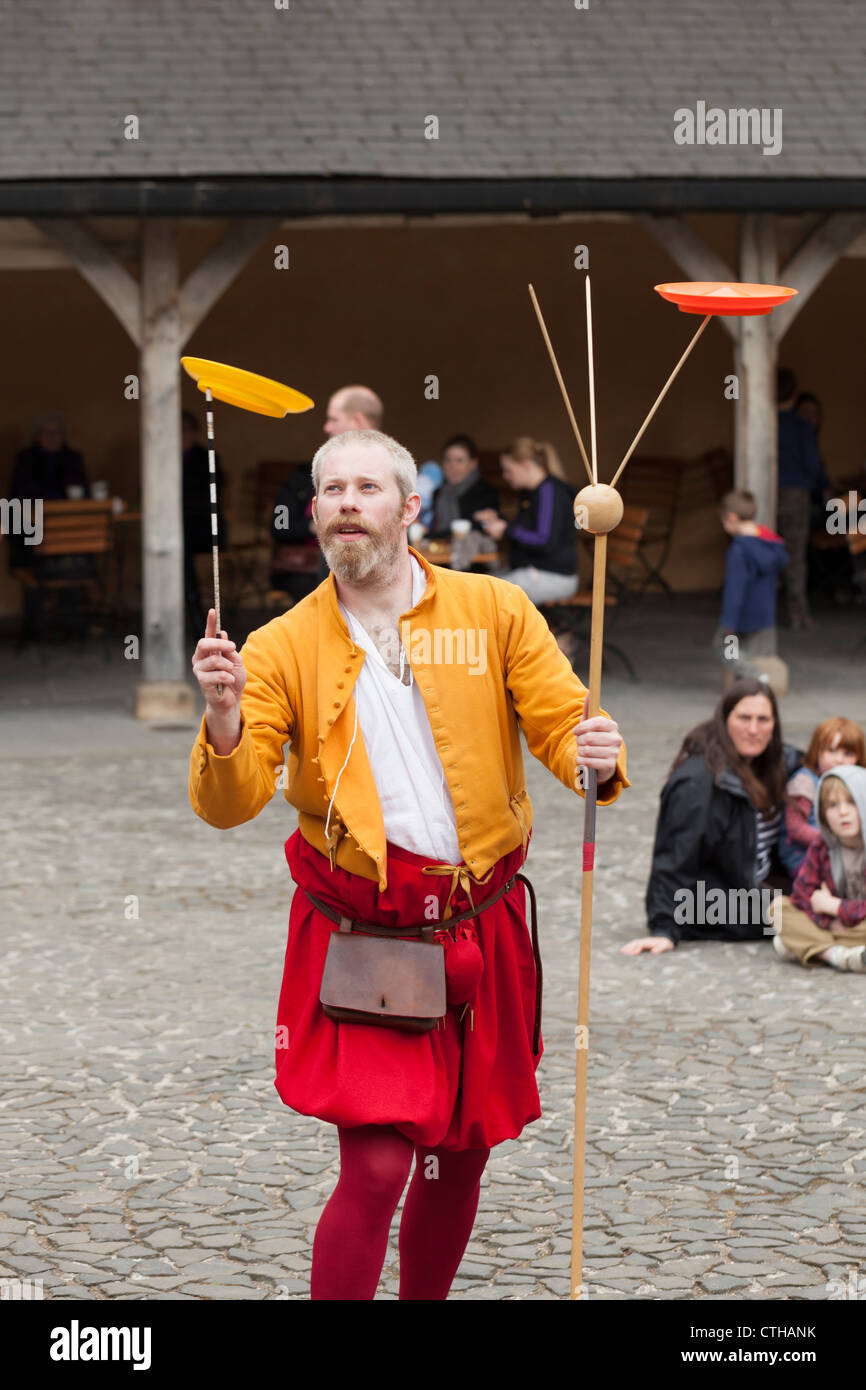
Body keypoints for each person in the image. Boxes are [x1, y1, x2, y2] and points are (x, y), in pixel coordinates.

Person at [189, 428, 627, 1300]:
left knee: (460, 1160)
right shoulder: (278, 647)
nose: (348, 504)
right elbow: (231, 802)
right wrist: (227, 721)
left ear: (409, 507)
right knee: (383, 1163)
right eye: (333, 492)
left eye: (367, 489)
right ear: (315, 515)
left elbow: (559, 725)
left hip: (480, 923)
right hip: (367, 935)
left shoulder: (492, 610)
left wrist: (597, 755)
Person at [622, 678, 800, 955]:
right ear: (725, 720)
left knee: (829, 903)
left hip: (758, 887)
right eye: (744, 718)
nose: (754, 729)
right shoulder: (699, 783)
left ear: (774, 724)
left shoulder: (777, 763)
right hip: (709, 905)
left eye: (763, 719)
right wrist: (664, 928)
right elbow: (673, 857)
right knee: (809, 918)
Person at [771, 766, 866, 972]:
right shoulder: (822, 846)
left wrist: (835, 907)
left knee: (784, 942)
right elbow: (801, 896)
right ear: (823, 815)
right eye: (832, 805)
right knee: (778, 908)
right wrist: (829, 922)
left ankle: (806, 945)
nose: (843, 812)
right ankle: (838, 956)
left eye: (852, 802)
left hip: (859, 924)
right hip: (837, 925)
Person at [473, 437, 578, 607]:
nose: (505, 476)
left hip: (554, 577)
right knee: (476, 586)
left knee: (485, 597)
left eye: (508, 470)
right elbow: (529, 529)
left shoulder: (549, 491)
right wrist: (499, 521)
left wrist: (506, 530)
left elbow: (545, 540)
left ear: (526, 464)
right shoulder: (532, 492)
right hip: (533, 571)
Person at [713, 489, 788, 684]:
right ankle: (750, 683)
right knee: (746, 652)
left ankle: (756, 678)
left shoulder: (739, 551)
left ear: (731, 517)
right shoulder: (771, 543)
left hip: (741, 617)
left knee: (724, 646)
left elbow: (734, 590)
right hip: (764, 615)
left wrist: (728, 623)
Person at [778, 717, 866, 877]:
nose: (839, 759)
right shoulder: (805, 781)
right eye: (831, 751)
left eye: (848, 753)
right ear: (817, 751)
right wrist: (836, 841)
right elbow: (796, 828)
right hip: (805, 856)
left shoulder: (856, 782)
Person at [776, 367, 823, 629]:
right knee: (795, 555)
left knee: (764, 554)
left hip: (765, 494)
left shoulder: (761, 421)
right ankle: (797, 613)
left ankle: (761, 616)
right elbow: (812, 464)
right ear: (794, 396)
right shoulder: (801, 427)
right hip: (795, 495)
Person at [181, 409, 226, 633]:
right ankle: (191, 603)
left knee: (181, 547)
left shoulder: (207, 458)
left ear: (194, 433)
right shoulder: (166, 461)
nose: (181, 437)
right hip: (181, 531)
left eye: (185, 432)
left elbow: (211, 499)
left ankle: (194, 608)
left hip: (206, 530)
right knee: (177, 545)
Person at [430, 435, 499, 537]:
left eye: (459, 460)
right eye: (448, 460)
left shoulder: (487, 493)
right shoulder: (438, 493)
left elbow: (486, 529)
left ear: (473, 463)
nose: (452, 466)